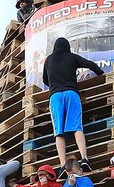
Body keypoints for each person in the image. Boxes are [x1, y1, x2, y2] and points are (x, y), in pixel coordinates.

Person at [42, 37, 104, 178]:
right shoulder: (71, 57)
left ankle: (63, 164)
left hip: (55, 96)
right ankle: (84, 158)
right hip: (71, 93)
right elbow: (90, 64)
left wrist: (54, 82)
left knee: (59, 132)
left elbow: (45, 80)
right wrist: (100, 73)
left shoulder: (49, 60)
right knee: (77, 127)